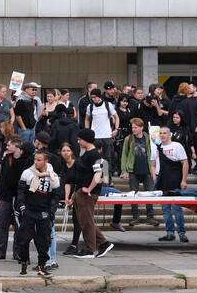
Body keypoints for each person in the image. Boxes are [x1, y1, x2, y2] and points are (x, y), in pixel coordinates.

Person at [13, 151, 60, 277]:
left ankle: (42, 265)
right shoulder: (27, 173)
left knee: (43, 241)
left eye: (39, 160)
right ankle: (24, 262)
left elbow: (56, 196)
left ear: (45, 161)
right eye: (35, 159)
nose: (36, 162)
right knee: (23, 239)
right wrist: (21, 206)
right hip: (29, 210)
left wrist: (51, 211)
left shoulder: (53, 177)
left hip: (44, 212)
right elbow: (21, 191)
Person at [0, 136, 31, 261]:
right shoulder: (7, 159)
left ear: (17, 148)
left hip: (17, 197)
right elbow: (3, 176)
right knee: (3, 224)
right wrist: (0, 192)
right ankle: (1, 252)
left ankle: (17, 253)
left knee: (18, 225)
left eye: (9, 145)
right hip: (5, 197)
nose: (7, 147)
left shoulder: (25, 161)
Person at [68, 129, 112, 258]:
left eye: (80, 139)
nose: (78, 141)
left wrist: (89, 189)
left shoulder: (94, 155)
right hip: (81, 191)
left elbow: (99, 174)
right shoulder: (87, 154)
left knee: (86, 221)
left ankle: (90, 249)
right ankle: (104, 243)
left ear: (86, 139)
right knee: (86, 221)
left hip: (87, 193)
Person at [112, 118, 158, 231]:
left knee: (150, 192)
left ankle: (150, 216)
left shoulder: (148, 137)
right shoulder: (129, 139)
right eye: (132, 127)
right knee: (133, 193)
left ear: (141, 127)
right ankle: (135, 216)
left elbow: (154, 151)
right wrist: (124, 170)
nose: (134, 129)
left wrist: (154, 170)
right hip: (133, 170)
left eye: (136, 127)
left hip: (147, 169)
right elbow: (124, 155)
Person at [153, 125, 191, 243]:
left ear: (170, 135)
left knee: (177, 207)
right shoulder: (156, 148)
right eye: (161, 133)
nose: (163, 135)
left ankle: (181, 232)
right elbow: (152, 164)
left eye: (165, 133)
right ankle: (170, 233)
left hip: (175, 179)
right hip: (162, 180)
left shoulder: (177, 146)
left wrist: (184, 180)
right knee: (165, 208)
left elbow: (185, 163)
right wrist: (155, 178)